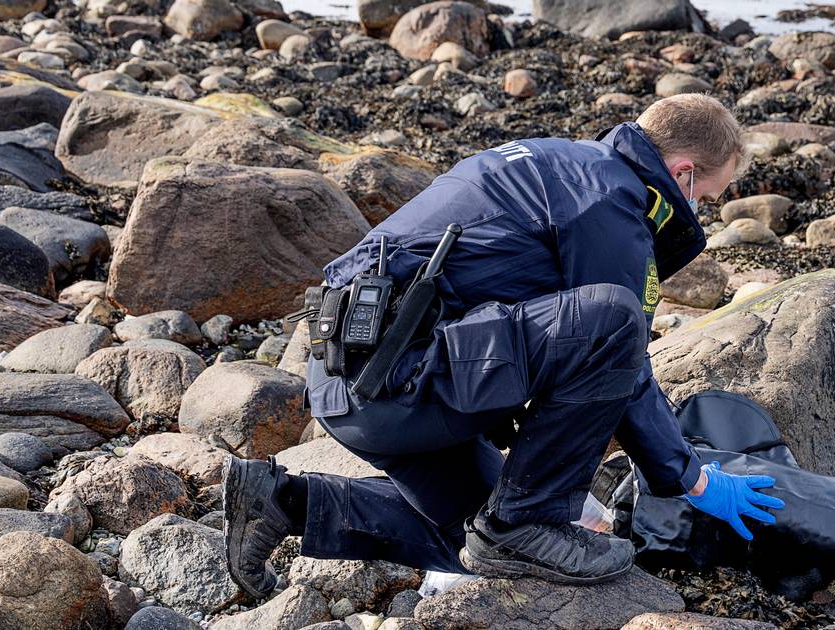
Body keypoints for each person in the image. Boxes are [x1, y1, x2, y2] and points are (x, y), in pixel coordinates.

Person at [221, 94, 786, 597]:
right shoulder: (608, 203)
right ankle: (527, 522)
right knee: (615, 320)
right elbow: (621, 352)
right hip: (397, 384)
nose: (701, 211)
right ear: (683, 172)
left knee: (476, 543)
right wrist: (692, 478)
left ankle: (280, 499)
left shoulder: (558, 162)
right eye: (707, 197)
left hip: (354, 382)